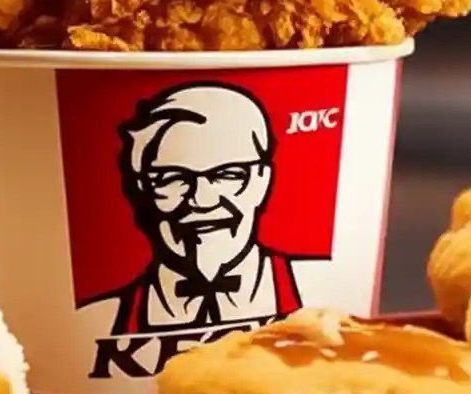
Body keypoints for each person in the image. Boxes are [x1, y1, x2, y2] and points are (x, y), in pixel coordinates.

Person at [80, 83, 333, 335]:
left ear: (262, 181)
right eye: (171, 178)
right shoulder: (96, 320)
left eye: (228, 175)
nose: (202, 200)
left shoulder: (331, 290)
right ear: (142, 188)